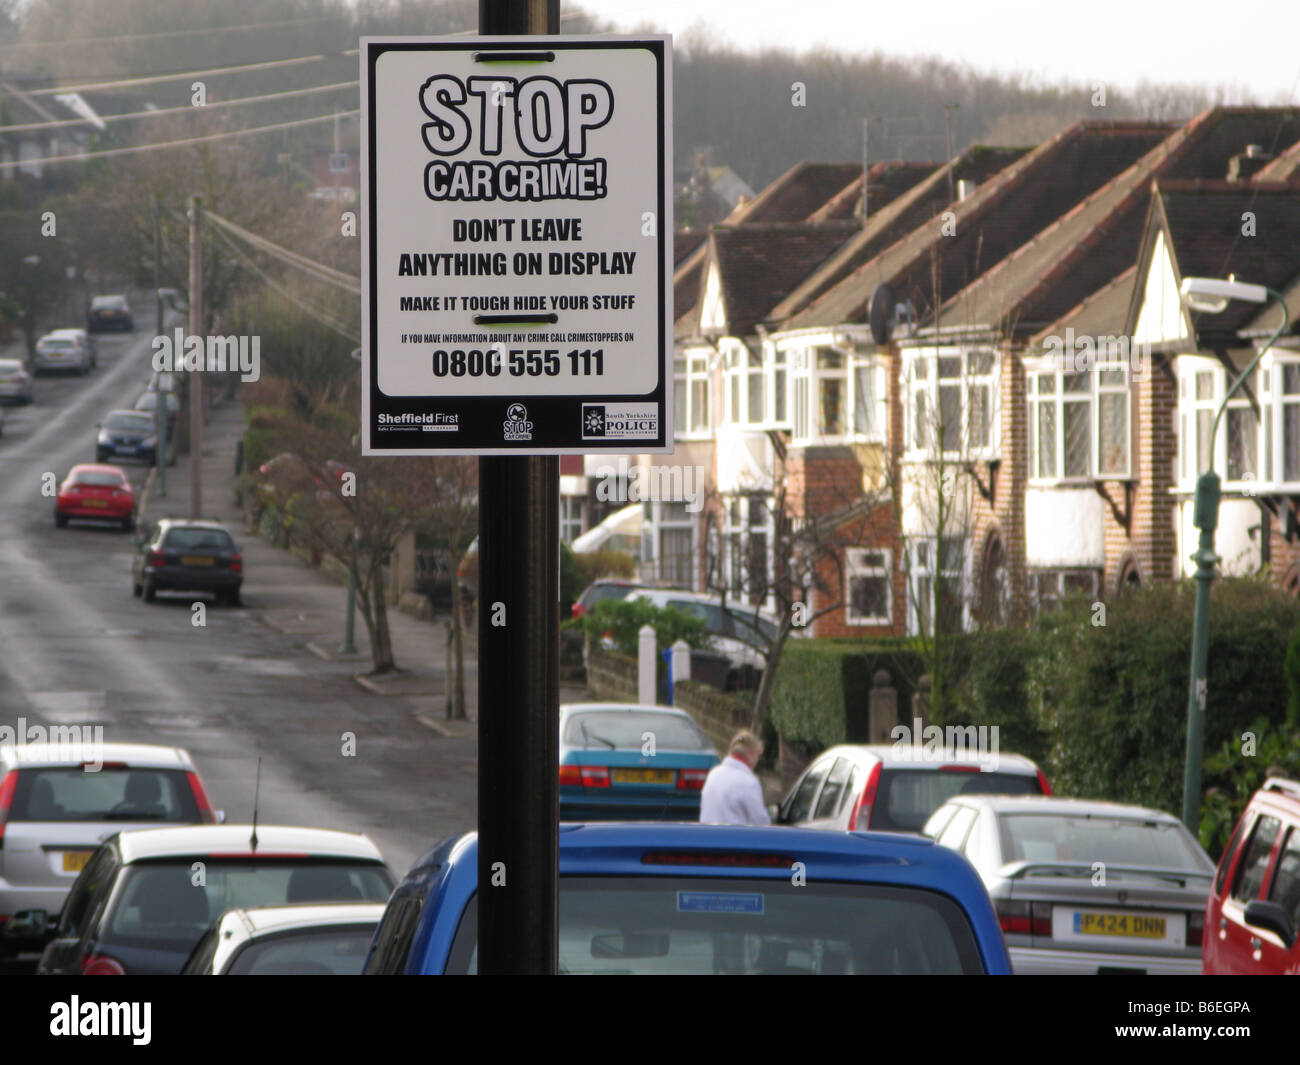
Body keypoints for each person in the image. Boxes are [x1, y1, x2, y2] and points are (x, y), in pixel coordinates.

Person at [699, 729, 771, 826]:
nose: (757, 761)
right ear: (750, 753)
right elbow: (762, 823)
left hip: (707, 836)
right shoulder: (749, 783)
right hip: (732, 839)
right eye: (757, 756)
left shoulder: (713, 774)